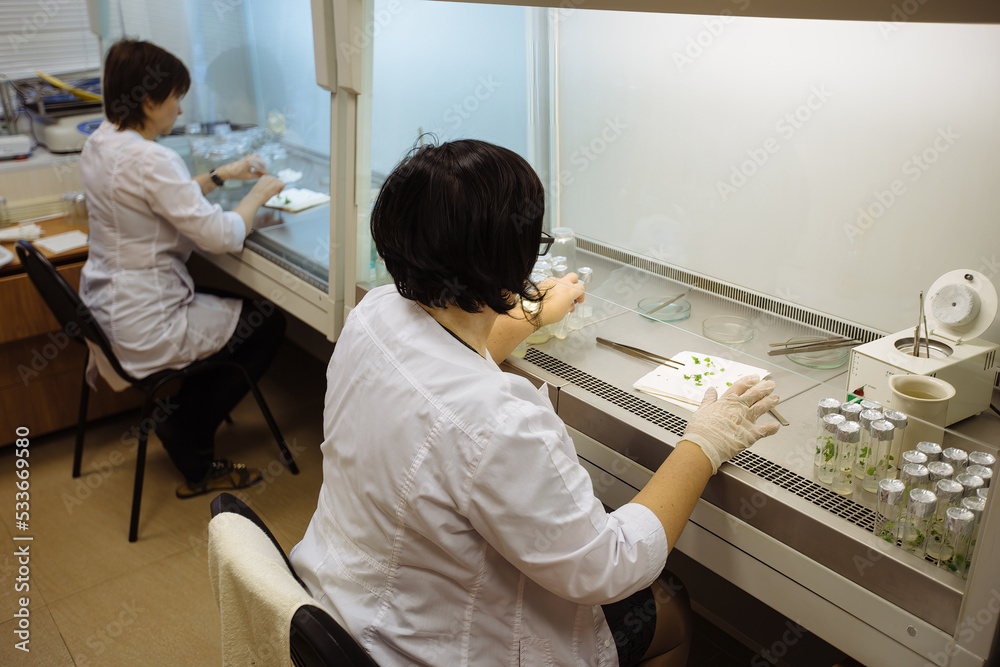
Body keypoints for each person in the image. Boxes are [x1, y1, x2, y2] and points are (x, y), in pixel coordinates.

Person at [290, 140, 780, 667]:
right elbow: (609, 567)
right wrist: (705, 441)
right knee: (671, 604)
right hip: (435, 648)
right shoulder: (498, 419)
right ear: (514, 257)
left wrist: (533, 314)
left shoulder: (373, 315)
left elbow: (445, 361)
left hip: (340, 607)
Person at [79, 39, 288, 498]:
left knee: (249, 318)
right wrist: (258, 196)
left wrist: (220, 176)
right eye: (174, 97)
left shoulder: (102, 141)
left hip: (106, 307)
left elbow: (154, 195)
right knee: (268, 323)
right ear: (150, 99)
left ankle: (184, 417)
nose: (179, 107)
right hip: (147, 318)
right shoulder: (154, 158)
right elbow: (218, 236)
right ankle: (188, 428)